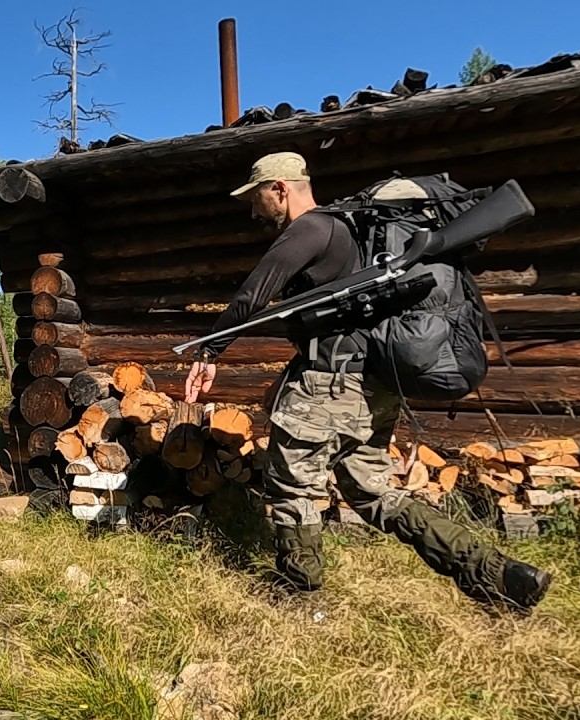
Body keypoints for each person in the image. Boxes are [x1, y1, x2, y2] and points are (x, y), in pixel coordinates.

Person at [184, 151, 551, 610]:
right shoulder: (350, 230)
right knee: (373, 492)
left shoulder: (310, 229)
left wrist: (209, 351)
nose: (254, 211)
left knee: (292, 486)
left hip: (327, 386)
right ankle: (495, 573)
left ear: (279, 188)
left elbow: (252, 297)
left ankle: (299, 592)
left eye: (256, 198)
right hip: (370, 386)